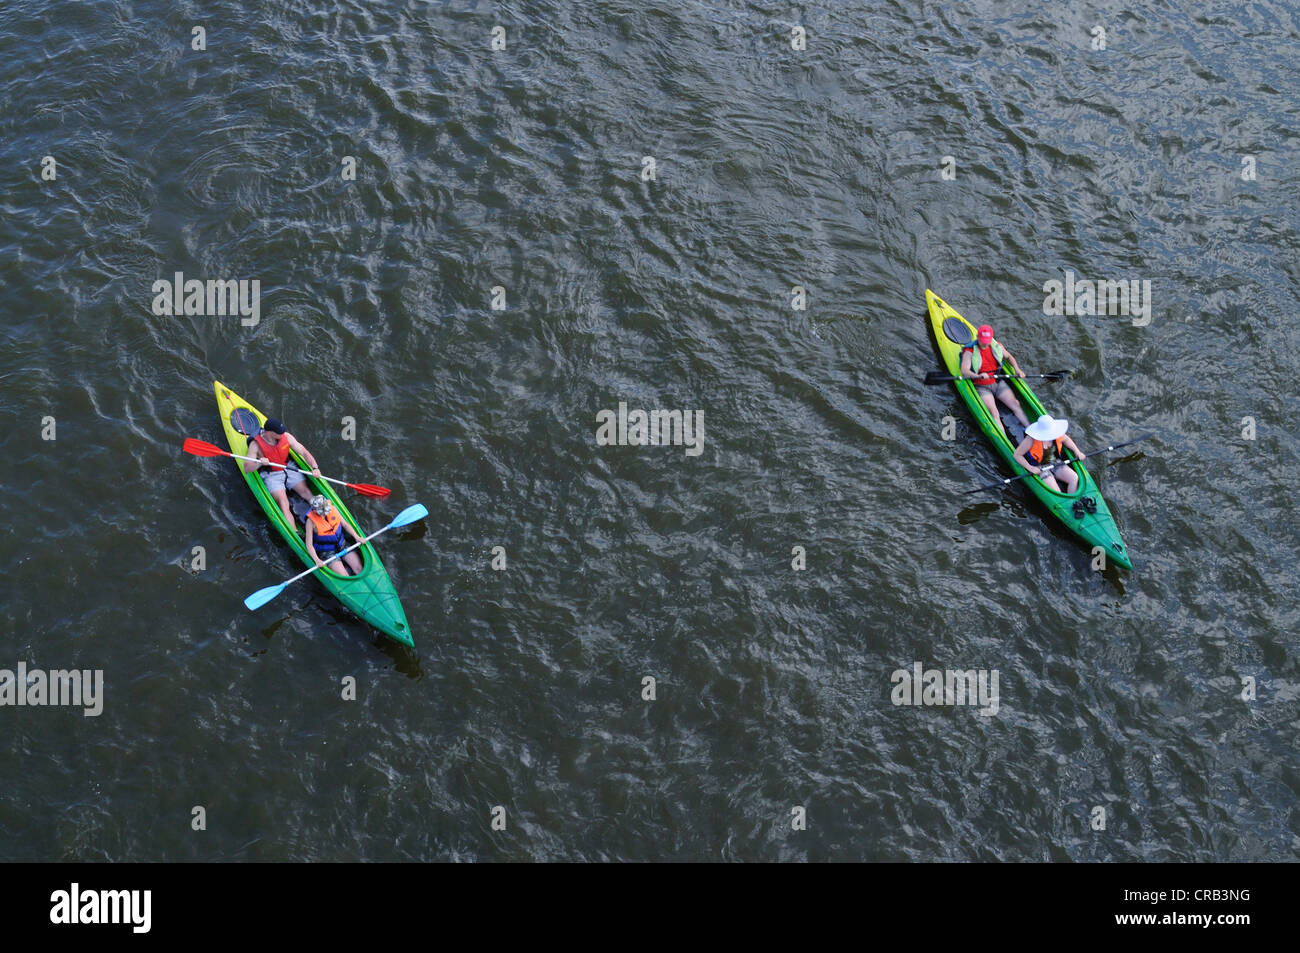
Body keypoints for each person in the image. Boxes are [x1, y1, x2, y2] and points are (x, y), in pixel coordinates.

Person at [242, 417, 322, 529]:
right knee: (284, 503)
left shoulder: (286, 436)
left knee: (306, 492)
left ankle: (328, 519)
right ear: (270, 433)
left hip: (288, 467)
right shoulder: (255, 445)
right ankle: (296, 532)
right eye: (279, 432)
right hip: (271, 474)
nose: (283, 433)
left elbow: (303, 451)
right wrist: (260, 463)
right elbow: (247, 468)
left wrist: (315, 467)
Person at [960, 324, 1030, 439]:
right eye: (982, 341)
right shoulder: (970, 351)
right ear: (977, 337)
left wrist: (1017, 369)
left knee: (1016, 404)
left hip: (997, 382)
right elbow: (964, 371)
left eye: (987, 341)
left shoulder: (997, 346)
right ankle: (1005, 441)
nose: (985, 344)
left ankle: (1031, 431)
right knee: (994, 413)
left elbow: (1009, 357)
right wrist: (977, 375)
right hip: (981, 386)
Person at [1013, 414, 1086, 494]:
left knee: (1074, 478)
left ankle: (1074, 500)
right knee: (1056, 491)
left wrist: (1077, 451)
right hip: (1039, 467)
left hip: (1054, 462)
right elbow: (1017, 455)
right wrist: (1030, 468)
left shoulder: (1057, 433)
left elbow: (1067, 440)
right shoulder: (1031, 439)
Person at [304, 495, 363, 576]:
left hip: (342, 544)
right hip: (327, 552)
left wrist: (357, 537)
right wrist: (317, 560)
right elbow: (309, 545)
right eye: (323, 512)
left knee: (359, 569)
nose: (325, 513)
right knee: (344, 576)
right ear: (315, 511)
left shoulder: (332, 508)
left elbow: (345, 525)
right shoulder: (310, 522)